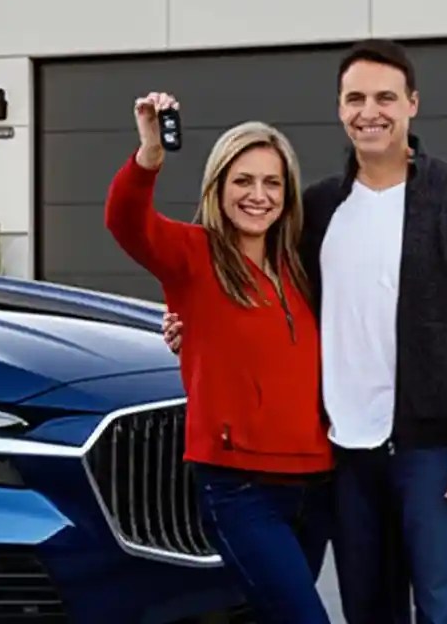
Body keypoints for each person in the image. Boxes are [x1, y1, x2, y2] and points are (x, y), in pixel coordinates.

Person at [162, 39, 447, 624]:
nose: (369, 110)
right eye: (355, 98)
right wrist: (191, 324)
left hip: (434, 453)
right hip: (345, 456)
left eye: (385, 97)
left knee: (444, 607)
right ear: (339, 109)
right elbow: (261, 293)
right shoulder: (317, 209)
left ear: (412, 104)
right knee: (368, 609)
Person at [104, 92, 334, 624]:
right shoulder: (194, 256)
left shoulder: (301, 270)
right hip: (241, 487)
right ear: (219, 188)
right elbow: (125, 221)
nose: (258, 195)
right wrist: (150, 155)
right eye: (243, 181)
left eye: (272, 182)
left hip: (316, 484)